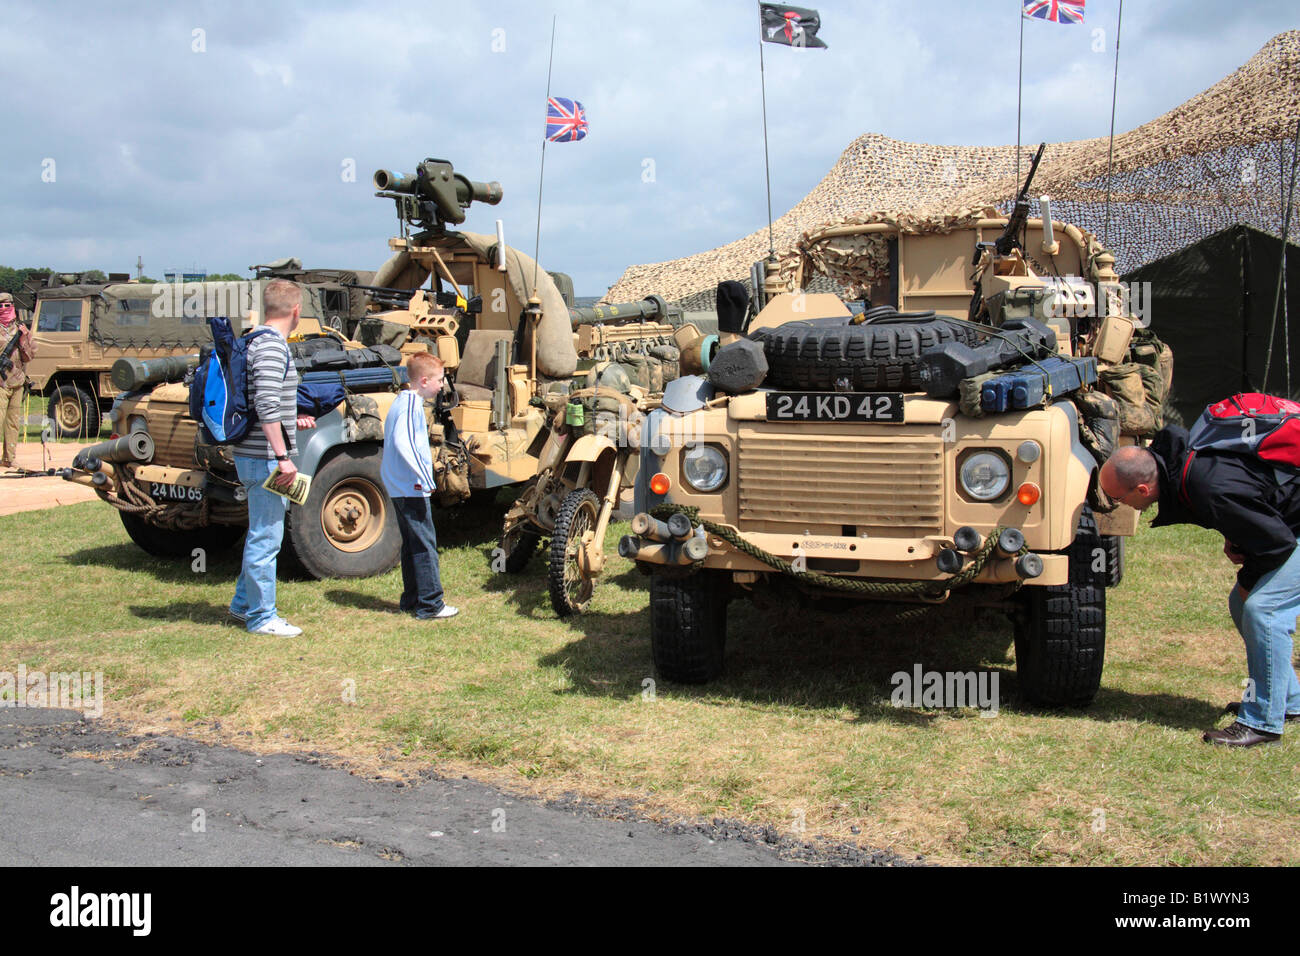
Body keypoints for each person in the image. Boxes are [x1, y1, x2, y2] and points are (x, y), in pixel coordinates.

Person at [1099, 428, 1300, 746]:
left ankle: (1262, 723)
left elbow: (1277, 546)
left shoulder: (1204, 485)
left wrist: (1249, 580)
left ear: (1142, 487)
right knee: (1241, 604)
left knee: (1263, 609)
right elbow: (1248, 495)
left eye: (1118, 499)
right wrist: (1237, 536)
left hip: (1290, 534)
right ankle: (1286, 702)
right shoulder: (1182, 464)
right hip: (1287, 520)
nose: (1118, 505)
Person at [228, 279, 315, 636]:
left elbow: (262, 403)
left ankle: (242, 604)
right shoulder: (272, 347)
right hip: (264, 457)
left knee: (260, 533)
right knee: (266, 537)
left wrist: (292, 420)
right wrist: (283, 457)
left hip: (253, 453)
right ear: (296, 311)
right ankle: (262, 617)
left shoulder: (253, 341)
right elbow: (265, 405)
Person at [381, 351, 458, 620]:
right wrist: (426, 479)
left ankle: (411, 599)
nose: (441, 386)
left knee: (412, 543)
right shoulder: (413, 405)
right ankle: (431, 603)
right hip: (410, 485)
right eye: (438, 380)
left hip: (399, 484)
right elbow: (407, 444)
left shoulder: (400, 402)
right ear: (423, 381)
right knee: (425, 543)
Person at [0, 292, 35, 468]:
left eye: (7, 305)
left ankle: (9, 457)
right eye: (0, 306)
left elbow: (29, 356)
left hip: (17, 380)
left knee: (13, 422)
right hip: (0, 382)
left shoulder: (20, 329)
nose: (4, 309)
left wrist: (23, 338)